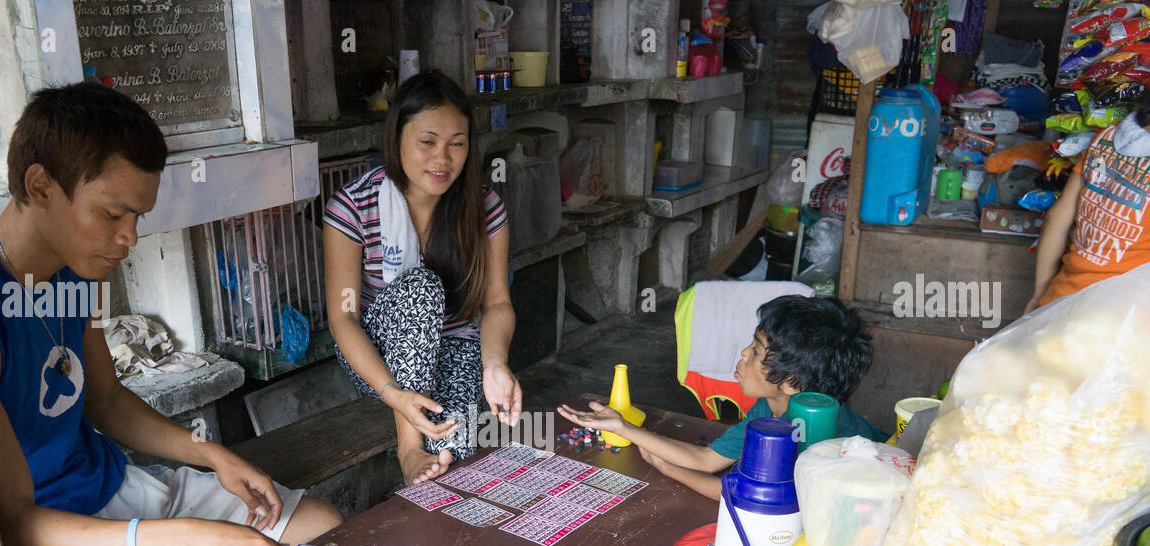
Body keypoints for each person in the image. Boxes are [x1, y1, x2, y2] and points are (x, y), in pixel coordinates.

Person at [0, 83, 343, 546]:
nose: (129, 237)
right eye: (112, 213)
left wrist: (209, 454)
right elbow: (15, 524)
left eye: (137, 216)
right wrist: (187, 537)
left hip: (113, 493)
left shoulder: (74, 275)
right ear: (39, 186)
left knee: (322, 539)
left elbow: (105, 399)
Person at [323, 73, 523, 486]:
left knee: (458, 445)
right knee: (421, 289)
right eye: (428, 142)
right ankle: (407, 446)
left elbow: (497, 303)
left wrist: (495, 364)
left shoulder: (483, 206)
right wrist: (393, 394)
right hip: (376, 354)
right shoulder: (354, 207)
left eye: (457, 143)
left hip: (454, 341)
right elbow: (343, 319)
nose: (443, 159)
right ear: (397, 138)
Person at [558, 295, 886, 500]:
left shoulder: (813, 440)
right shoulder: (770, 408)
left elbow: (748, 499)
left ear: (791, 381)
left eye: (756, 350)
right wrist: (625, 427)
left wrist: (670, 470)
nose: (743, 353)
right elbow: (708, 460)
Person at [1028, 102, 1150, 311]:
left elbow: (1056, 218)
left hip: (1062, 298)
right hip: (1124, 317)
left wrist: (1040, 293)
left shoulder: (1108, 136)